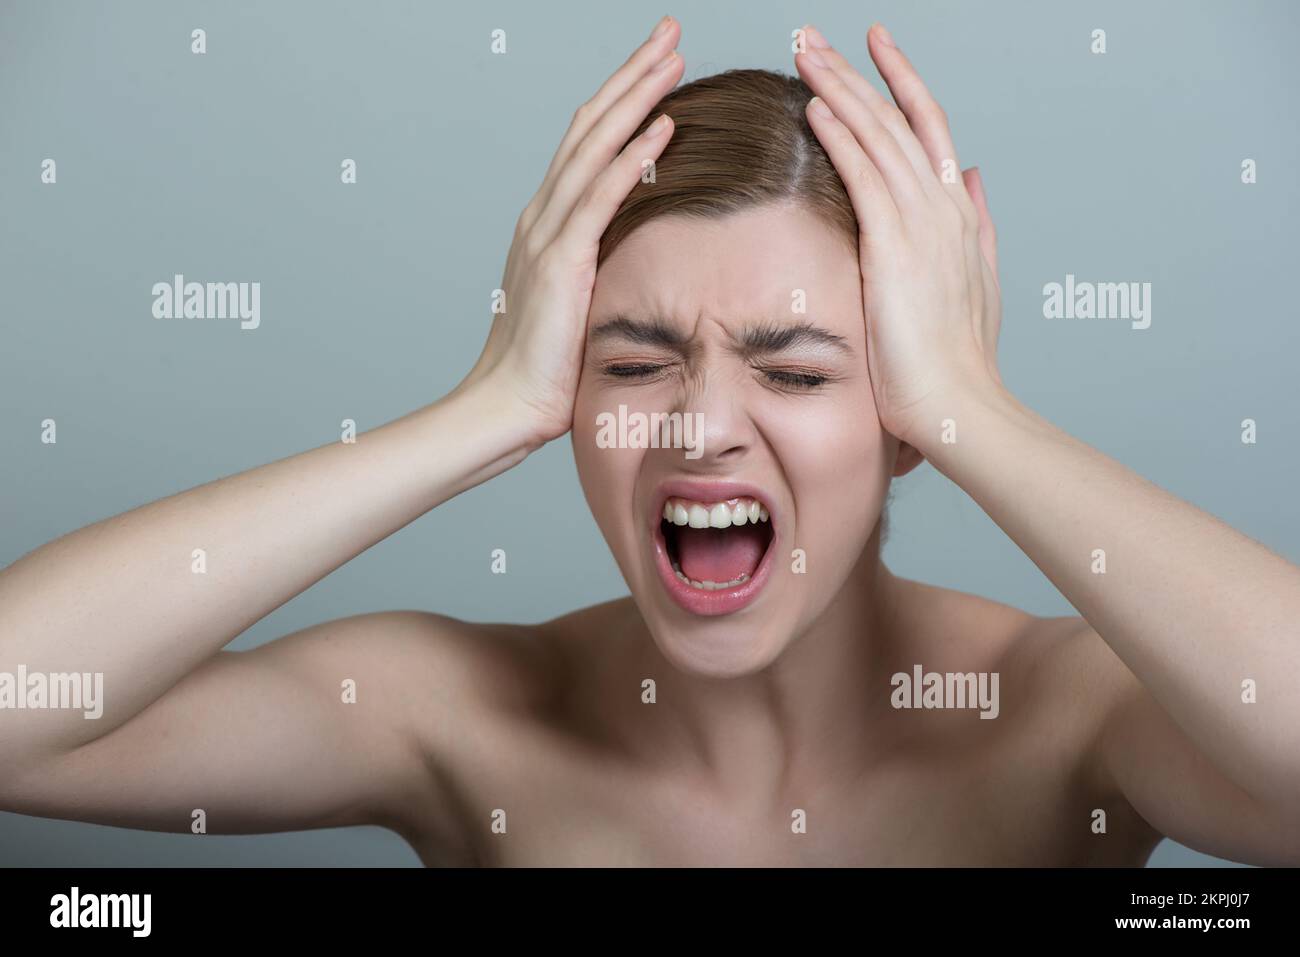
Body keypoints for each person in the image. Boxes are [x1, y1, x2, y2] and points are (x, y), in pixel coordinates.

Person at [1, 16, 1297, 866]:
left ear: (902, 421)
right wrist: (481, 411)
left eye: (793, 370)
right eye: (632, 362)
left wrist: (979, 414)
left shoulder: (1069, 718)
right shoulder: (454, 716)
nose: (698, 426)